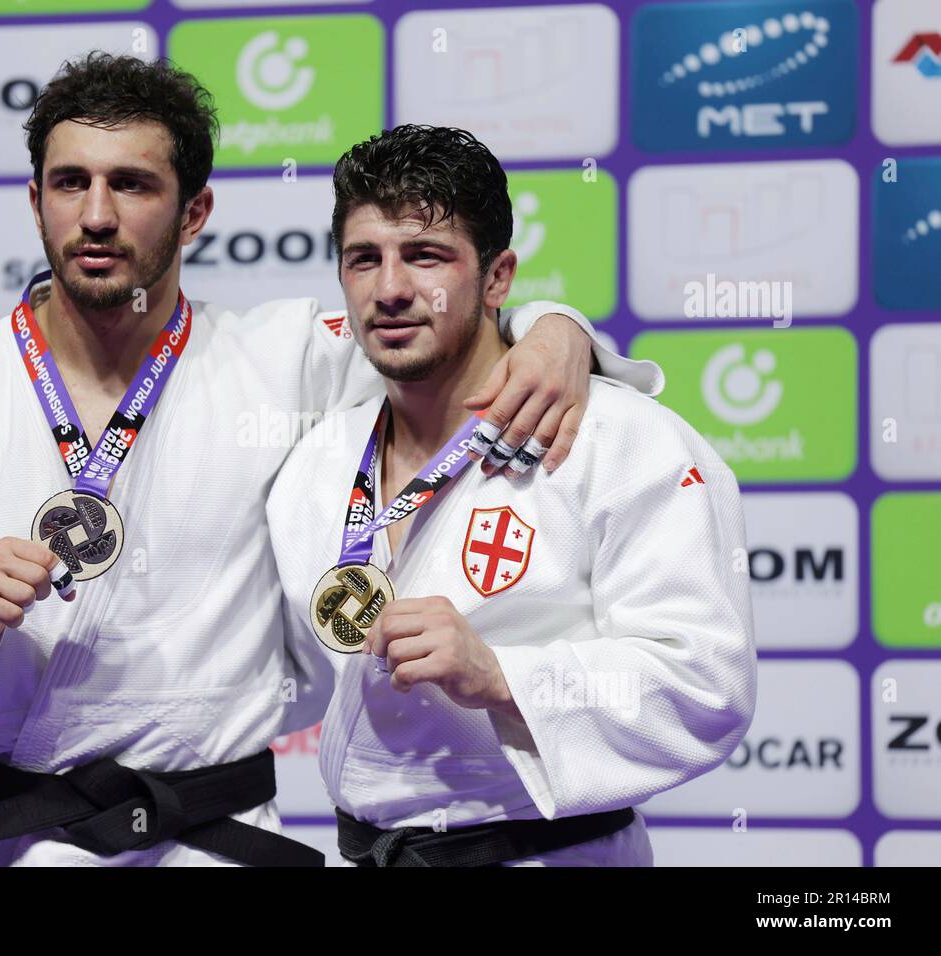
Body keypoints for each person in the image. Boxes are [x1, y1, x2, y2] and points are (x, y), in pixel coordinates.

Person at [0, 54, 664, 867]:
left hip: (212, 841)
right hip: (15, 838)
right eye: (71, 183)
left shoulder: (286, 358)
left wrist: (557, 329)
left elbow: (437, 333)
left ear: (194, 212)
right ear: (35, 203)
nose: (97, 215)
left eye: (132, 184)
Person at [267, 125, 757, 867]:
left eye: (426, 256)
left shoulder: (620, 440)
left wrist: (502, 676)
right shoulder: (318, 462)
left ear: (498, 278)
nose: (391, 288)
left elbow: (707, 685)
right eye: (364, 259)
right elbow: (290, 681)